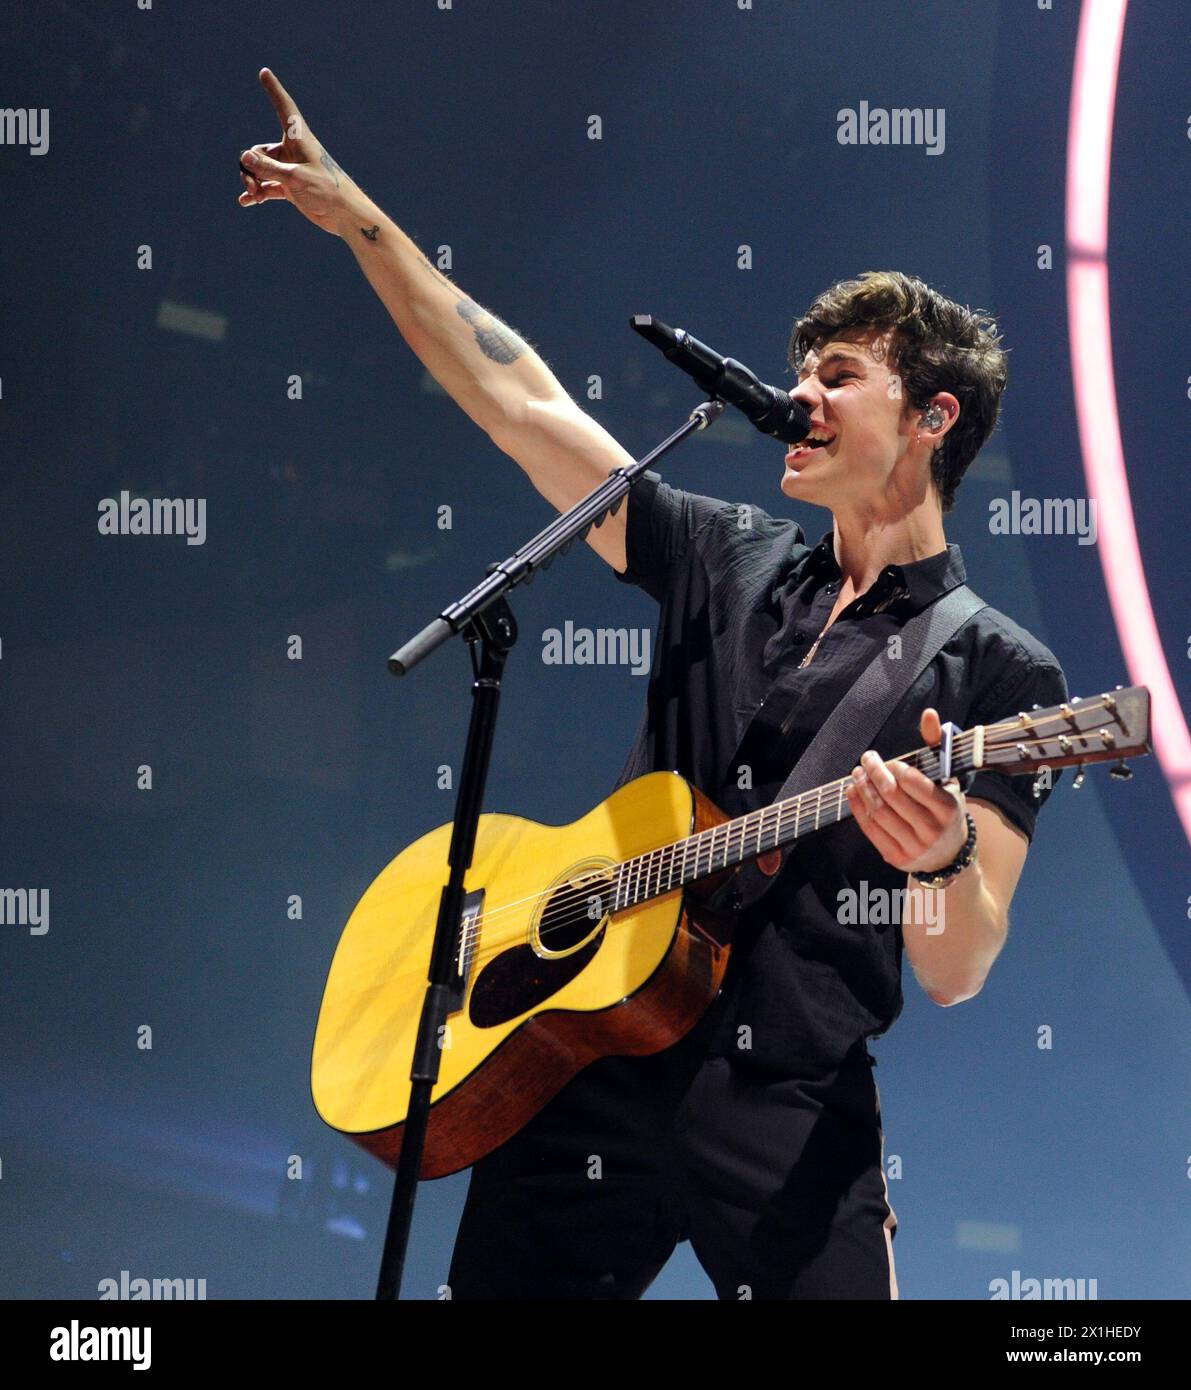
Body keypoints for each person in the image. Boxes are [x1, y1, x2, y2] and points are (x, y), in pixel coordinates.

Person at [241, 69, 1068, 1300]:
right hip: (584, 1065)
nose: (802, 394)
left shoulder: (1003, 666)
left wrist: (939, 853)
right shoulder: (726, 555)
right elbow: (519, 402)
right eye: (800, 369)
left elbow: (956, 968)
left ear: (934, 414)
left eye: (839, 373)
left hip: (786, 1111)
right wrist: (365, 221)